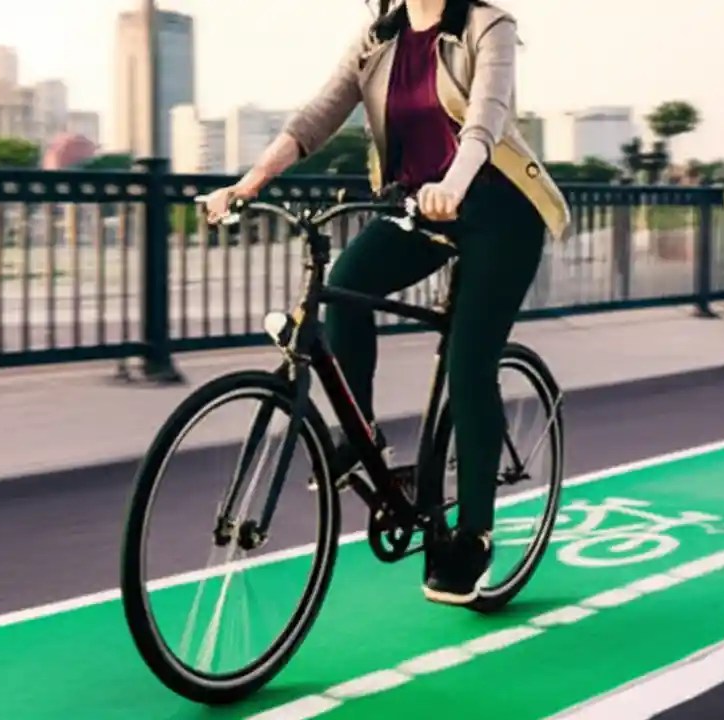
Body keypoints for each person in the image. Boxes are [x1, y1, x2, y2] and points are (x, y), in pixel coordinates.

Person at [202, 0, 571, 606]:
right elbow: (314, 118)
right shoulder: (380, 39)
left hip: (498, 209)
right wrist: (246, 185)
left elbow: (485, 122)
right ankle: (361, 434)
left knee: (468, 363)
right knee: (345, 282)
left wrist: (453, 183)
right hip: (416, 206)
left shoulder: (487, 28)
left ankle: (472, 536)